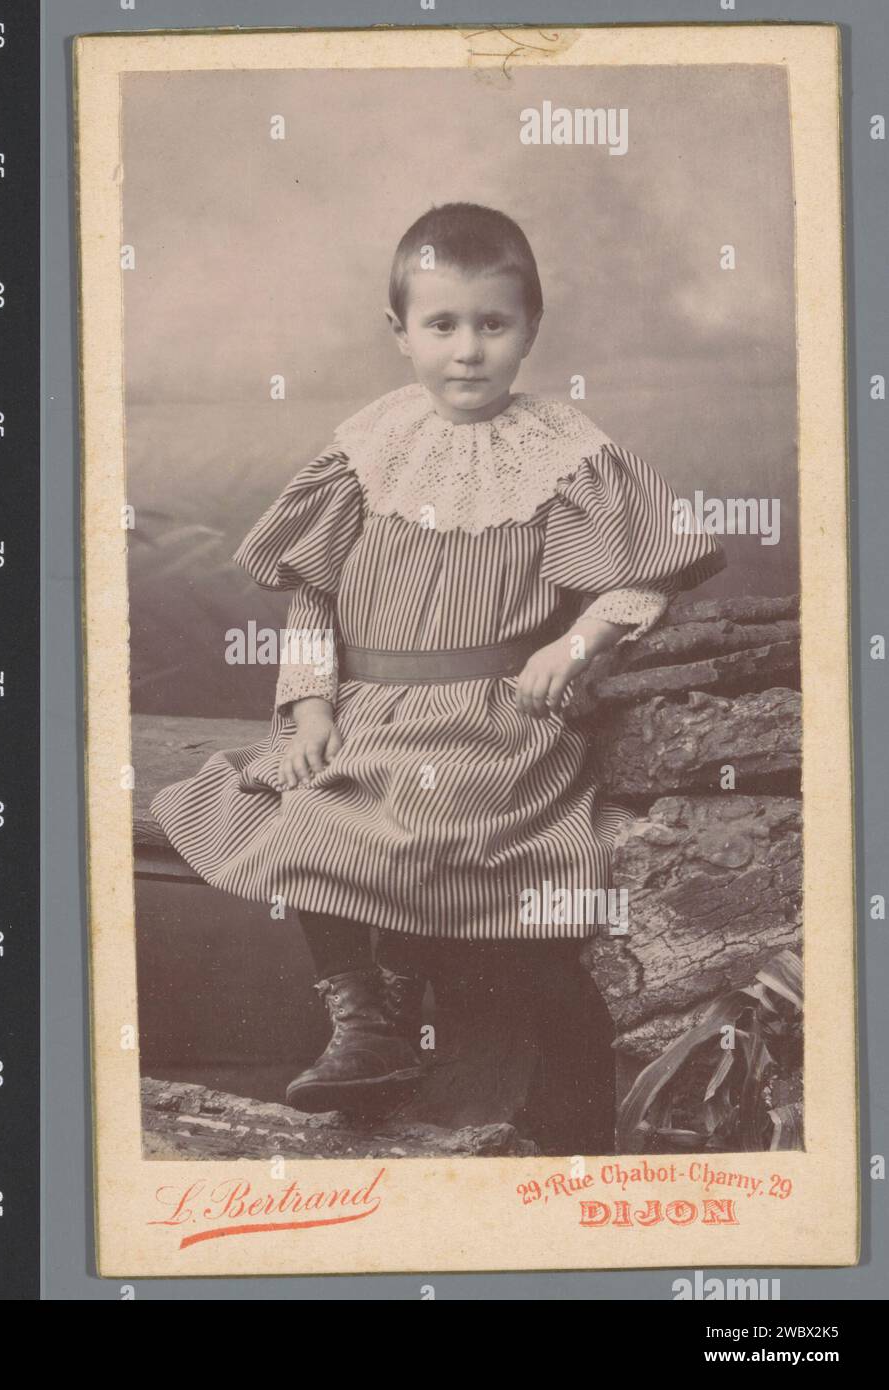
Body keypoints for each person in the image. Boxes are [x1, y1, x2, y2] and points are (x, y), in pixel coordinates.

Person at [150, 203, 725, 1144]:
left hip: (493, 718)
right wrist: (307, 709)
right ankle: (366, 1021)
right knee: (297, 812)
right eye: (442, 325)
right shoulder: (367, 447)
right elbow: (312, 601)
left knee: (442, 831)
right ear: (400, 333)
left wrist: (570, 645)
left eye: (492, 325)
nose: (467, 352)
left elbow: (638, 582)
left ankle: (484, 1071)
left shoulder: (565, 453)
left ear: (531, 328)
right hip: (367, 712)